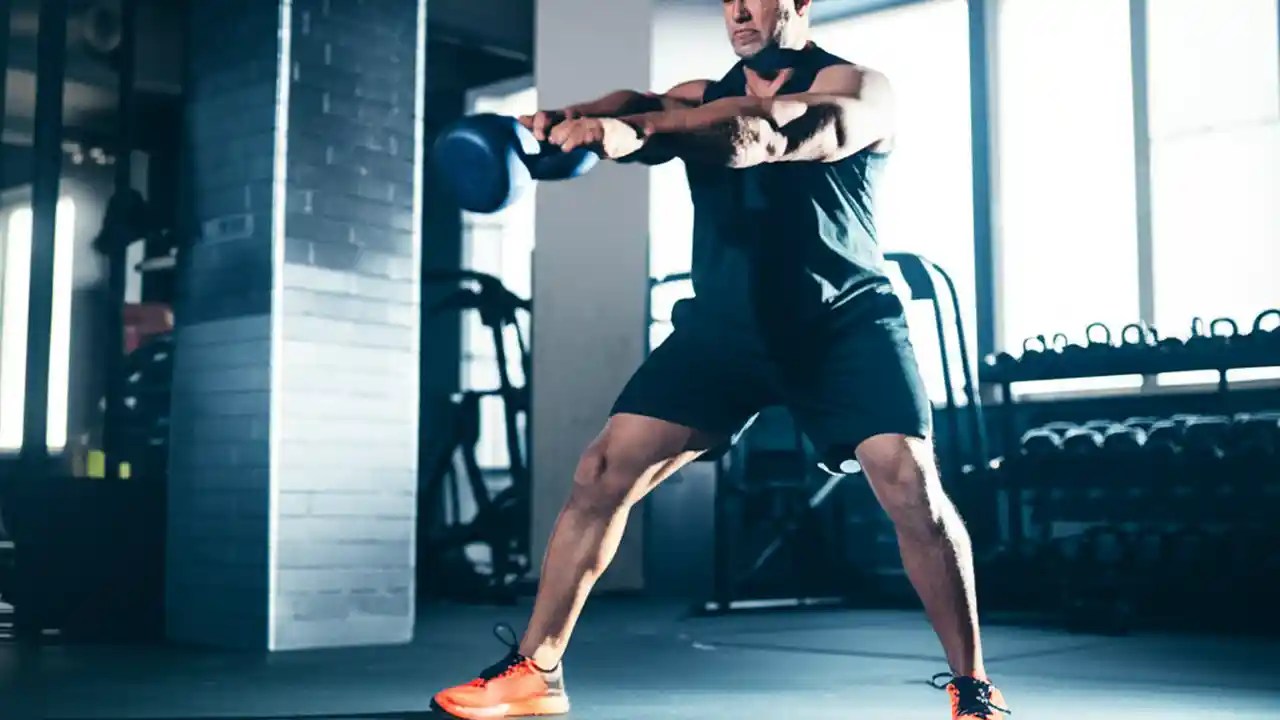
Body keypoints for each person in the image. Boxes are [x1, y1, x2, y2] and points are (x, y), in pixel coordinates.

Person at [432, 1, 1009, 718]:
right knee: (601, 471)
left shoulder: (861, 90)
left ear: (797, 3)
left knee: (907, 481)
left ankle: (974, 687)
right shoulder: (696, 96)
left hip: (843, 322)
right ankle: (535, 671)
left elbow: (769, 133)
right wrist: (560, 125)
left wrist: (634, 132)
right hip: (727, 328)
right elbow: (636, 107)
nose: (737, 10)